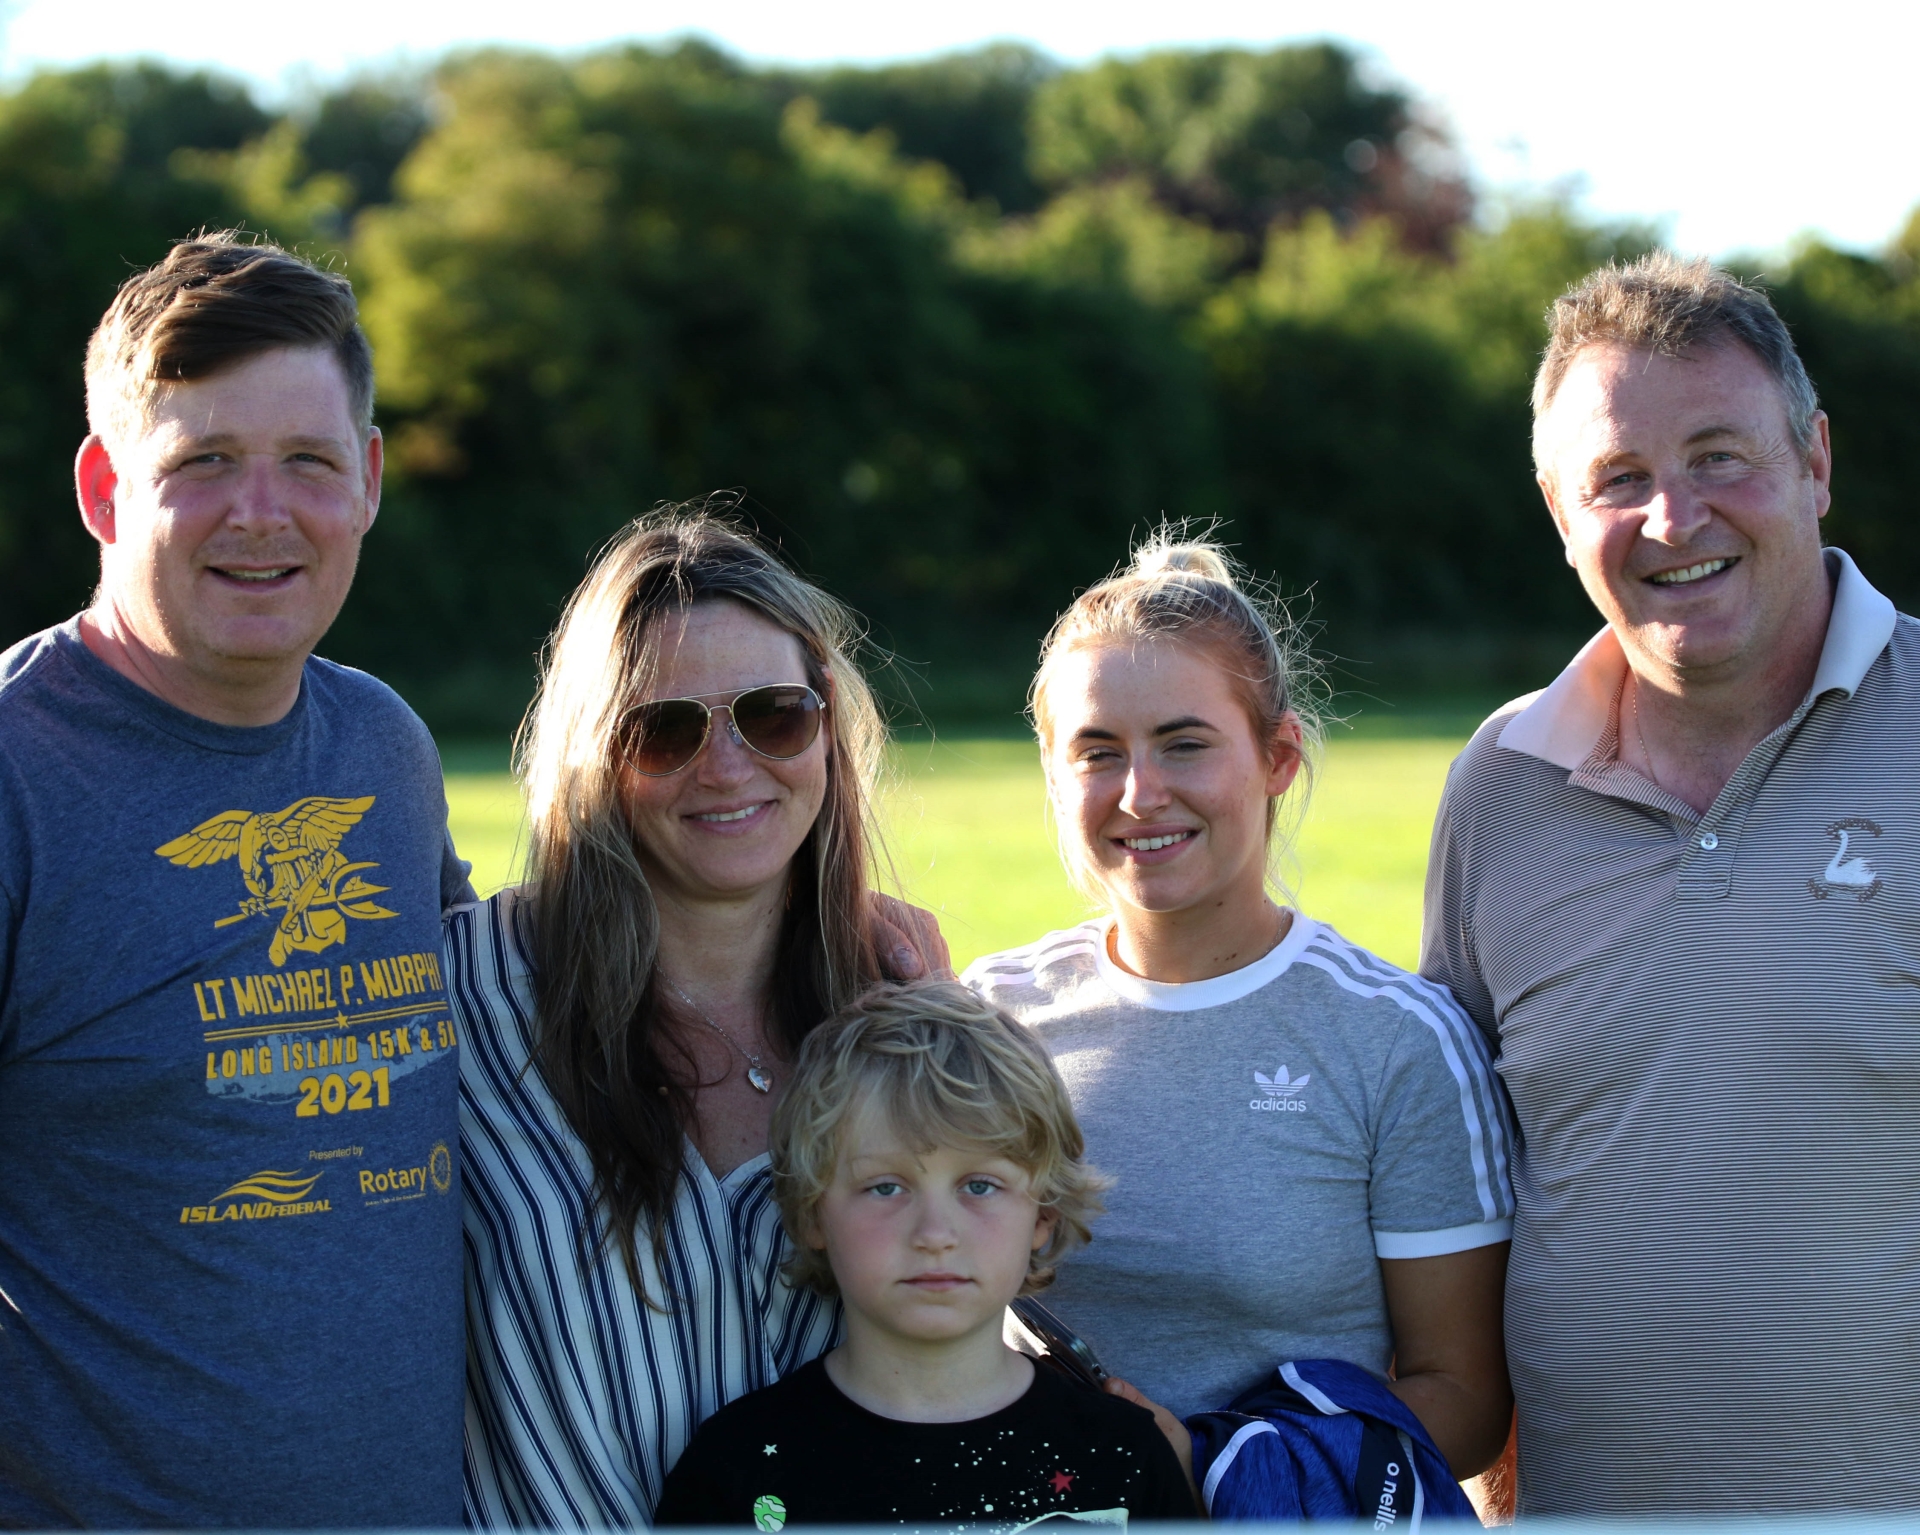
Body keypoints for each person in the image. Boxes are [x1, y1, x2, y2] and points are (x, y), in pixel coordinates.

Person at [1421, 251, 1920, 1515]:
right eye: (1620, 479)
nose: (1672, 517)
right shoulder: (1501, 784)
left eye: (1718, 456)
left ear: (1814, 460)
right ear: (1557, 512)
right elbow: (1455, 1175)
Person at [0, 233, 472, 1526]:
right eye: (203, 461)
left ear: (368, 479)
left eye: (308, 462)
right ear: (103, 488)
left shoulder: (384, 744)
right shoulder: (14, 776)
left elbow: (515, 994)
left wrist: (804, 929)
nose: (261, 513)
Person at [964, 536, 1515, 1494]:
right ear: (1054, 778)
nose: (1142, 793)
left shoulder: (1398, 1040)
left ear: (1278, 757)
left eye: (1185, 743)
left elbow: (1464, 1404)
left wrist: (1207, 1462)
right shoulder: (986, 1020)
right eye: (1098, 752)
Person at [452, 509, 947, 1527]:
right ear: (594, 756)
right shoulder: (463, 997)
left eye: (773, 715)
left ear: (827, 728)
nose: (727, 767)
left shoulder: (903, 1016)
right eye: (665, 730)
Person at [655, 980, 1194, 1528]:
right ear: (814, 1212)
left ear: (1044, 1213)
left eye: (979, 1186)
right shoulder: (739, 1464)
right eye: (886, 1187)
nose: (935, 1233)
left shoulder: (1123, 1456)